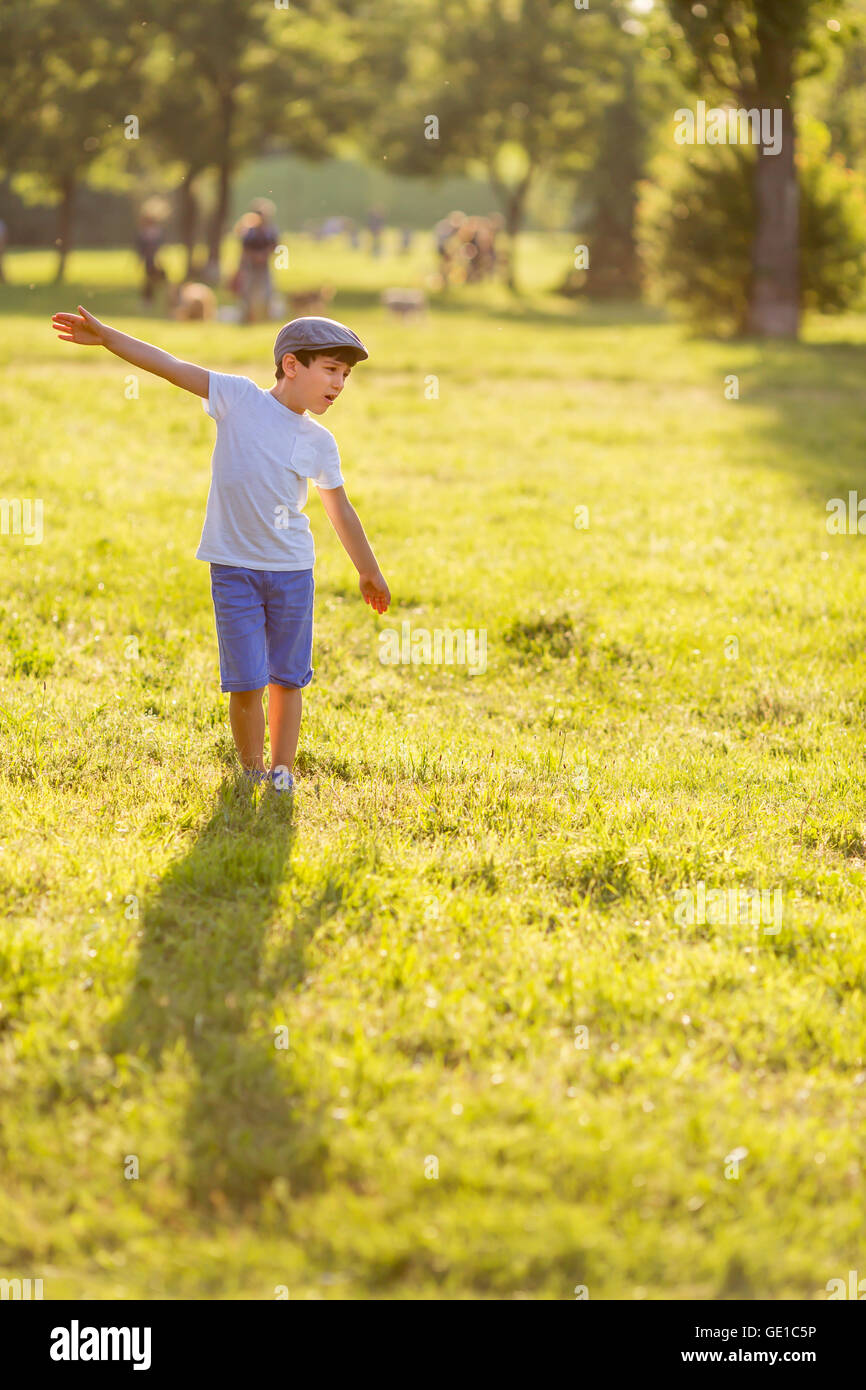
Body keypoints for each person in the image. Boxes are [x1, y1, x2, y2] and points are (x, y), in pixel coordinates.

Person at [49, 306, 391, 795]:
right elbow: (170, 366)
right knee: (246, 679)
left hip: (293, 572)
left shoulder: (320, 441)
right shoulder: (237, 398)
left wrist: (368, 570)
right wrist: (107, 337)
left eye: (346, 375)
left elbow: (340, 510)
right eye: (331, 370)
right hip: (234, 570)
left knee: (288, 678)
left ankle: (282, 770)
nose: (339, 384)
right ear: (291, 365)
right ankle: (251, 771)